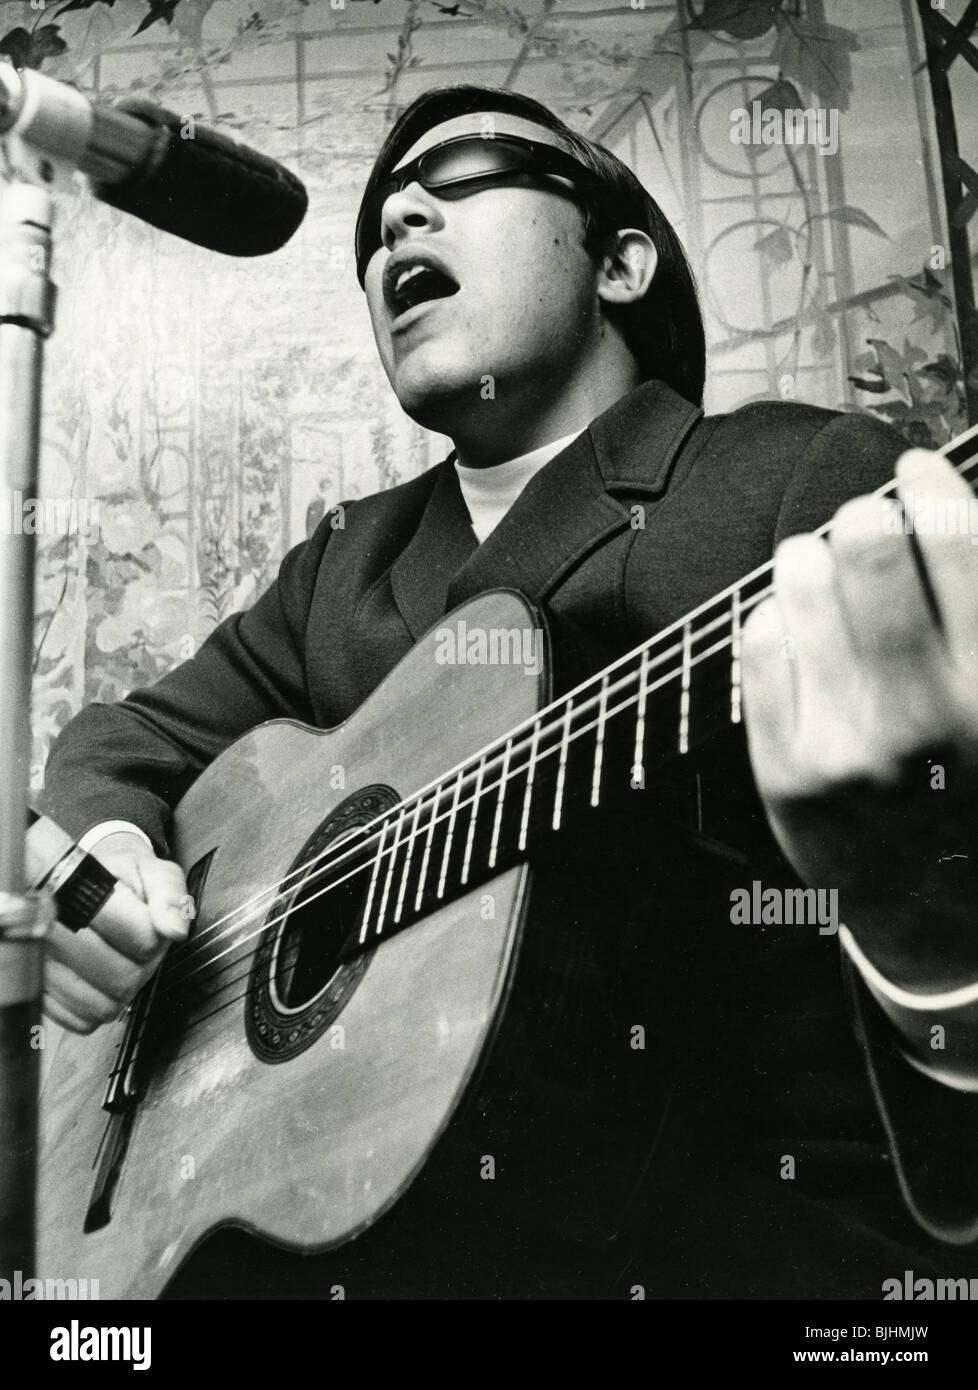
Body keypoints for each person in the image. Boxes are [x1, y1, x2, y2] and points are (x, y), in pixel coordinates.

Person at [39, 85, 978, 1299]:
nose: (398, 223)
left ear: (623, 261)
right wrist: (103, 857)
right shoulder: (343, 562)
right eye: (378, 220)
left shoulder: (807, 485)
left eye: (467, 171)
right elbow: (133, 735)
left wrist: (926, 907)